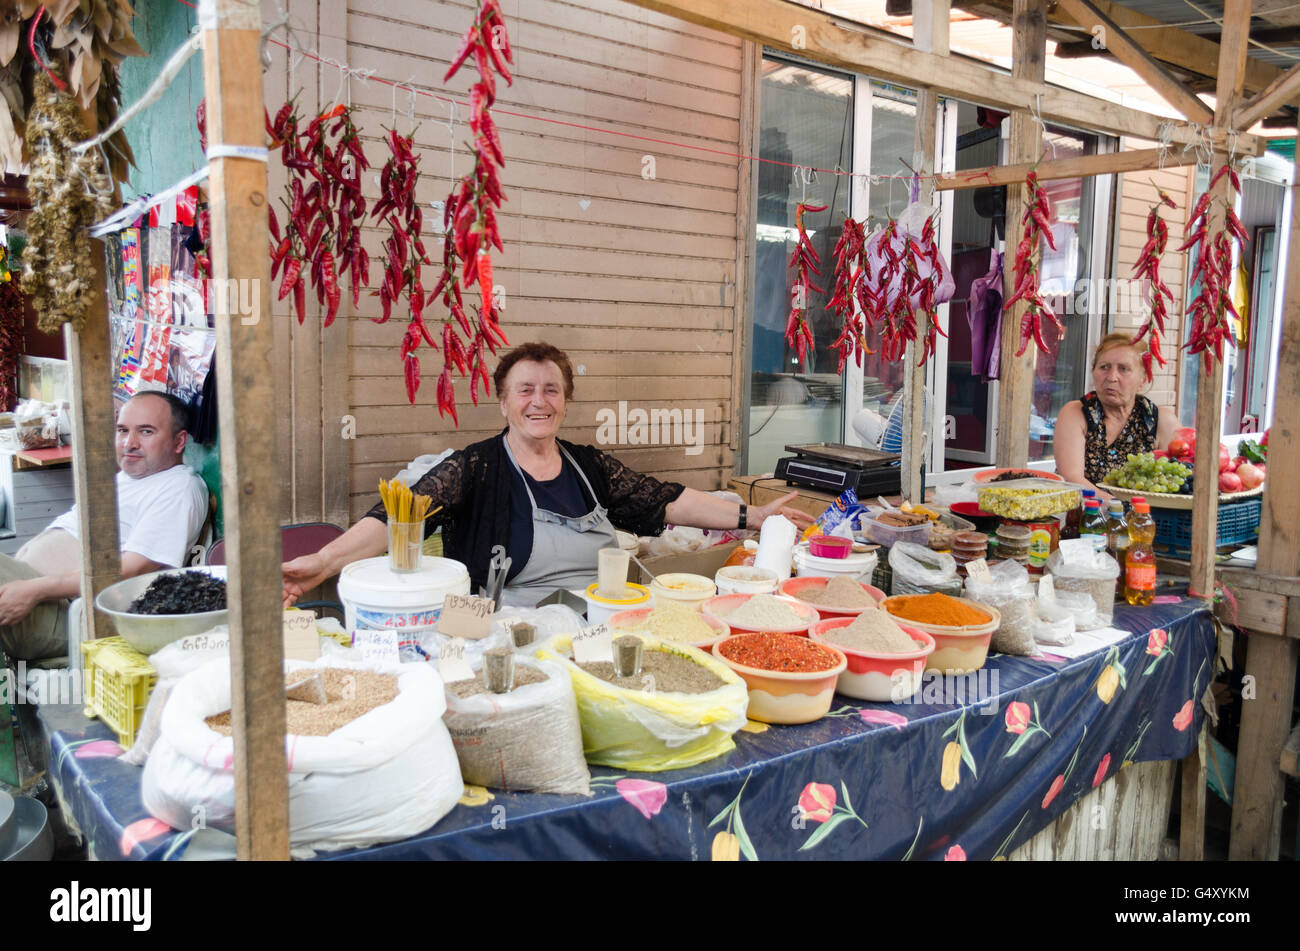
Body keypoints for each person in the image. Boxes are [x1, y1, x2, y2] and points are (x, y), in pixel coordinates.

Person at [283, 342, 814, 607]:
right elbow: (397, 517)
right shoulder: (474, 468)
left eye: (552, 390)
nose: (539, 401)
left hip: (599, 623)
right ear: (503, 403)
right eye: (526, 390)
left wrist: (753, 515)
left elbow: (668, 501)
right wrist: (325, 563)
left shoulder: (589, 465)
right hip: (505, 633)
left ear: (565, 402)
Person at [0, 391, 210, 662]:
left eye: (146, 432)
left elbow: (130, 569)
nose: (129, 443)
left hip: (72, 614)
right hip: (35, 595)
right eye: (122, 430)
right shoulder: (130, 477)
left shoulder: (178, 489)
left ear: (179, 441)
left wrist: (34, 590)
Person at [1053, 332, 1179, 500]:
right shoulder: (1076, 413)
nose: (1111, 377)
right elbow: (1072, 479)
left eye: (1123, 369)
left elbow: (1181, 482)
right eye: (1104, 367)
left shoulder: (1160, 421)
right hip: (1084, 516)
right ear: (1093, 372)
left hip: (1144, 519)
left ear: (1143, 380)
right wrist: (1121, 510)